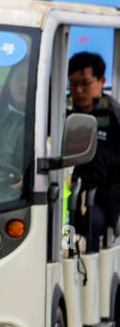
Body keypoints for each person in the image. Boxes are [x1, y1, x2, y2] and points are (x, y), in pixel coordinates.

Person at [69, 52, 120, 249]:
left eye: (85, 83)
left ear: (101, 81)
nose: (79, 90)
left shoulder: (114, 116)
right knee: (62, 224)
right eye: (73, 84)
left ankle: (87, 276)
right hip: (64, 192)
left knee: (92, 221)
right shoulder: (60, 111)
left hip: (100, 197)